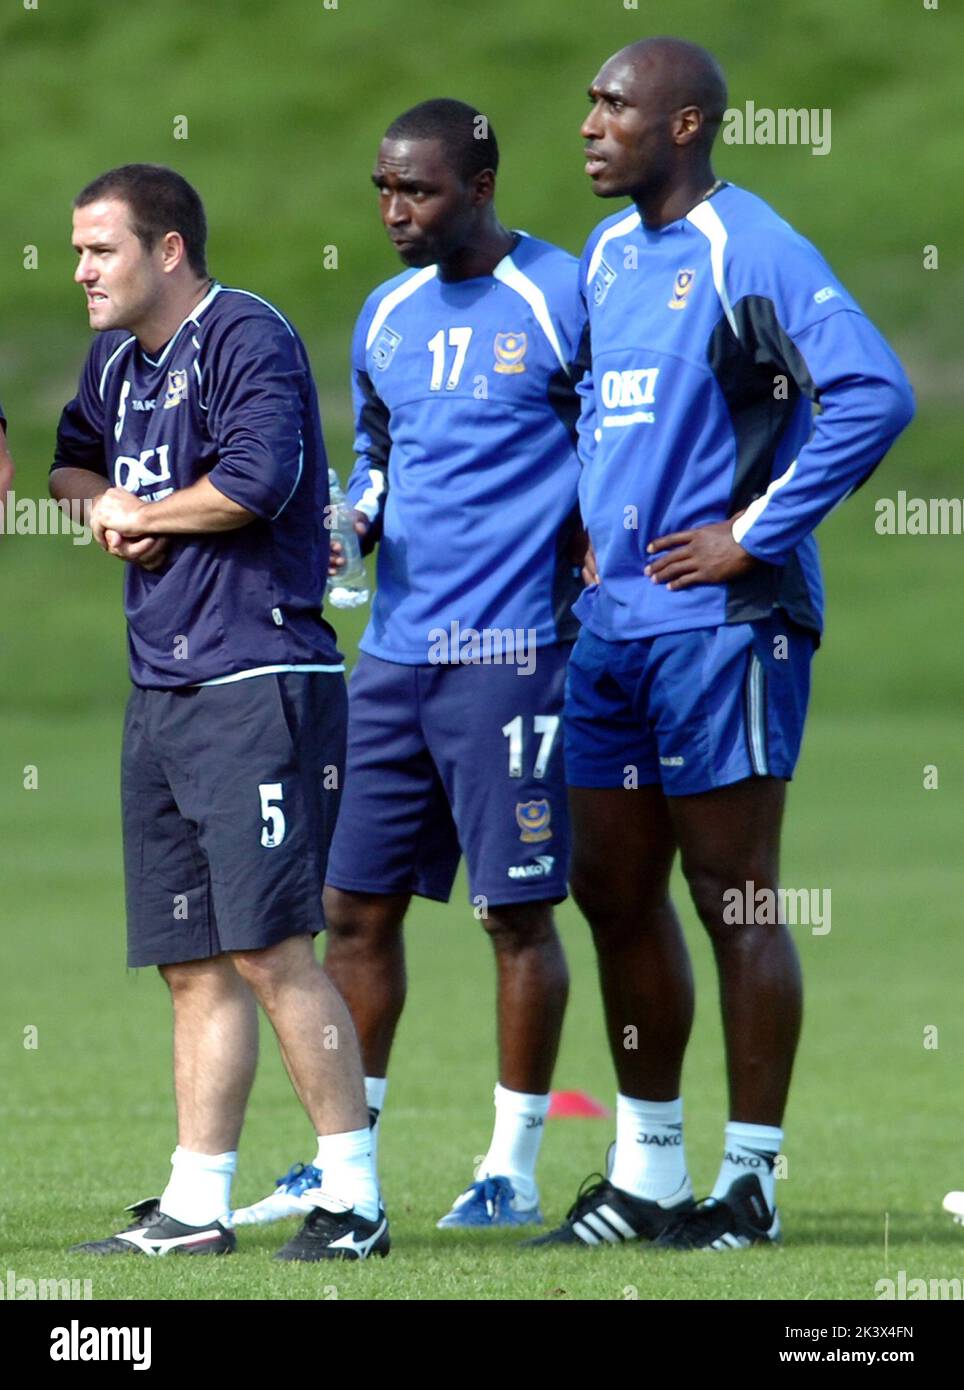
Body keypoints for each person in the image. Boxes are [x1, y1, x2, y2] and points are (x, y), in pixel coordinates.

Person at [529, 38, 915, 1250]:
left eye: (614, 105)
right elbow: (603, 417)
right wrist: (581, 540)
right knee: (609, 890)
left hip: (724, 628)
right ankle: (646, 1173)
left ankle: (747, 1181)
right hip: (615, 632)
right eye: (588, 101)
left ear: (684, 124)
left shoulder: (748, 242)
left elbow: (872, 393)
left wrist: (753, 532)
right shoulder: (602, 254)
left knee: (733, 893)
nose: (589, 122)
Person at [232, 100, 586, 1231]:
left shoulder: (562, 293)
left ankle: (511, 1165)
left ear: (481, 186)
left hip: (512, 652)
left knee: (514, 915)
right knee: (351, 912)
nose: (394, 212)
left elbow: (615, 438)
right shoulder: (383, 313)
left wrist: (588, 546)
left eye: (418, 192)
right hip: (390, 655)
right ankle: (348, 1161)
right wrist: (363, 514)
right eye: (383, 190)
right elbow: (382, 450)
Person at [50, 164, 387, 1262]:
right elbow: (67, 462)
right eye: (78, 250)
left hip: (260, 680)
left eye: (102, 250)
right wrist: (103, 501)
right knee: (192, 960)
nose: (82, 270)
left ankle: (354, 1200)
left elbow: (257, 481)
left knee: (274, 949)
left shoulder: (247, 337)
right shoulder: (115, 359)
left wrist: (151, 510)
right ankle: (197, 1204)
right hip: (163, 689)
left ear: (170, 251)